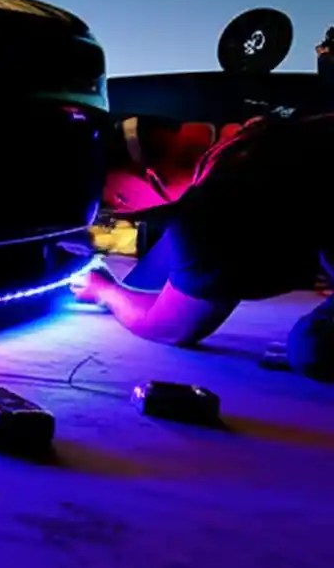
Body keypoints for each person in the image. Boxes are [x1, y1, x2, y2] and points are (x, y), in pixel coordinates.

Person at [75, 104, 334, 381]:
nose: (116, 211)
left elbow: (168, 327)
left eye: (109, 203)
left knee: (313, 347)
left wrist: (104, 290)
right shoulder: (261, 133)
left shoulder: (216, 205)